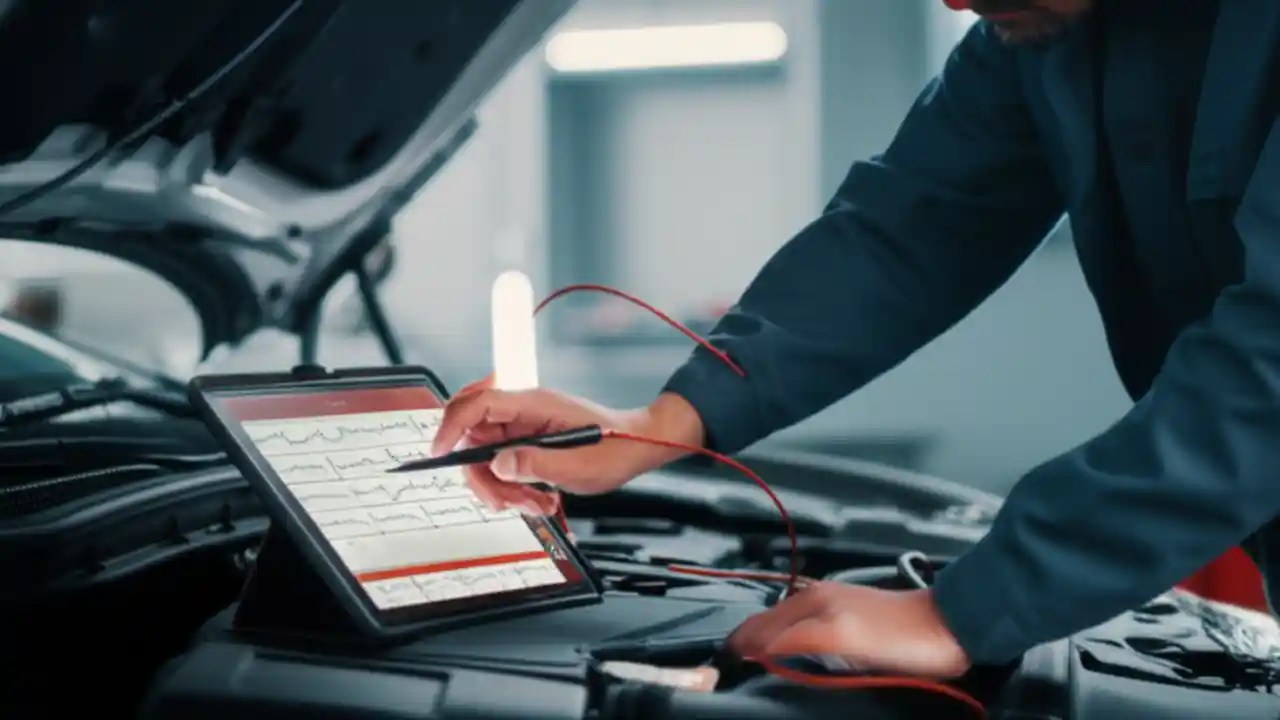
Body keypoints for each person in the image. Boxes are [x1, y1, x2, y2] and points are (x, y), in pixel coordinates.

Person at [434, 0, 1280, 679]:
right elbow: (907, 229)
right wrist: (657, 426)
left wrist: (969, 610)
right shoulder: (1043, 29)